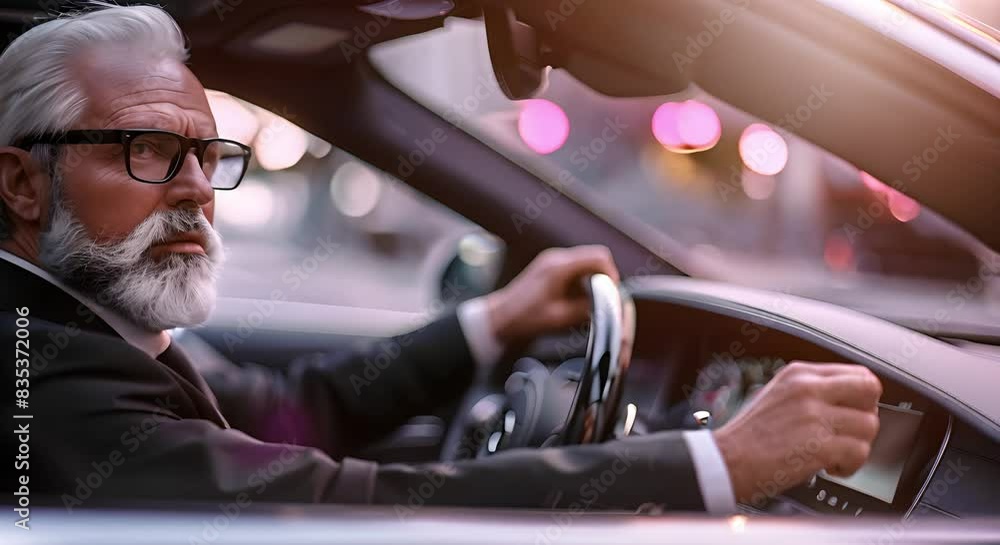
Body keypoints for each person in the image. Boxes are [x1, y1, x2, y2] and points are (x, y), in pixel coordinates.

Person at [0, 4, 881, 513]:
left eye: (207, 155)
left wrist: (493, 320)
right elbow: (343, 506)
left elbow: (289, 411)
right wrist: (717, 464)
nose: (196, 189)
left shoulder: (85, 324)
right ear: (23, 184)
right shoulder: (44, 376)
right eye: (149, 150)